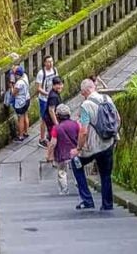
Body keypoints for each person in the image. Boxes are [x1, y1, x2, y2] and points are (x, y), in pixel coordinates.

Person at [70, 77, 121, 212]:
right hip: (108, 143)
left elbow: (84, 131)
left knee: (76, 163)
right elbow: (118, 119)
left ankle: (87, 200)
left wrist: (78, 148)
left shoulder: (86, 106)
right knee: (106, 174)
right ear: (94, 87)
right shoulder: (107, 99)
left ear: (84, 92)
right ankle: (107, 204)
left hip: (93, 147)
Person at [46, 103, 80, 196]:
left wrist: (49, 155)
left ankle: (64, 190)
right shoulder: (76, 124)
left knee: (62, 172)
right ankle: (80, 186)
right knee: (77, 170)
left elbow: (53, 143)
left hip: (62, 154)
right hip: (75, 153)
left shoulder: (56, 128)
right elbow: (80, 137)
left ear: (57, 116)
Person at [36, 55, 59, 148]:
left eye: (51, 61)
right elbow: (38, 88)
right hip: (44, 99)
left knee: (53, 115)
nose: (50, 63)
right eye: (48, 62)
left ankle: (51, 134)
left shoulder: (54, 70)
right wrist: (47, 93)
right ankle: (42, 139)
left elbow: (57, 81)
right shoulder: (41, 73)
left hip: (52, 97)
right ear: (44, 63)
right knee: (44, 119)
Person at [11, 65, 30, 142]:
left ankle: (20, 136)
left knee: (20, 119)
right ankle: (26, 132)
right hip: (27, 99)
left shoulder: (19, 83)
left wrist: (11, 87)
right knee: (26, 115)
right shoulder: (25, 76)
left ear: (17, 75)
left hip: (20, 103)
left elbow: (13, 93)